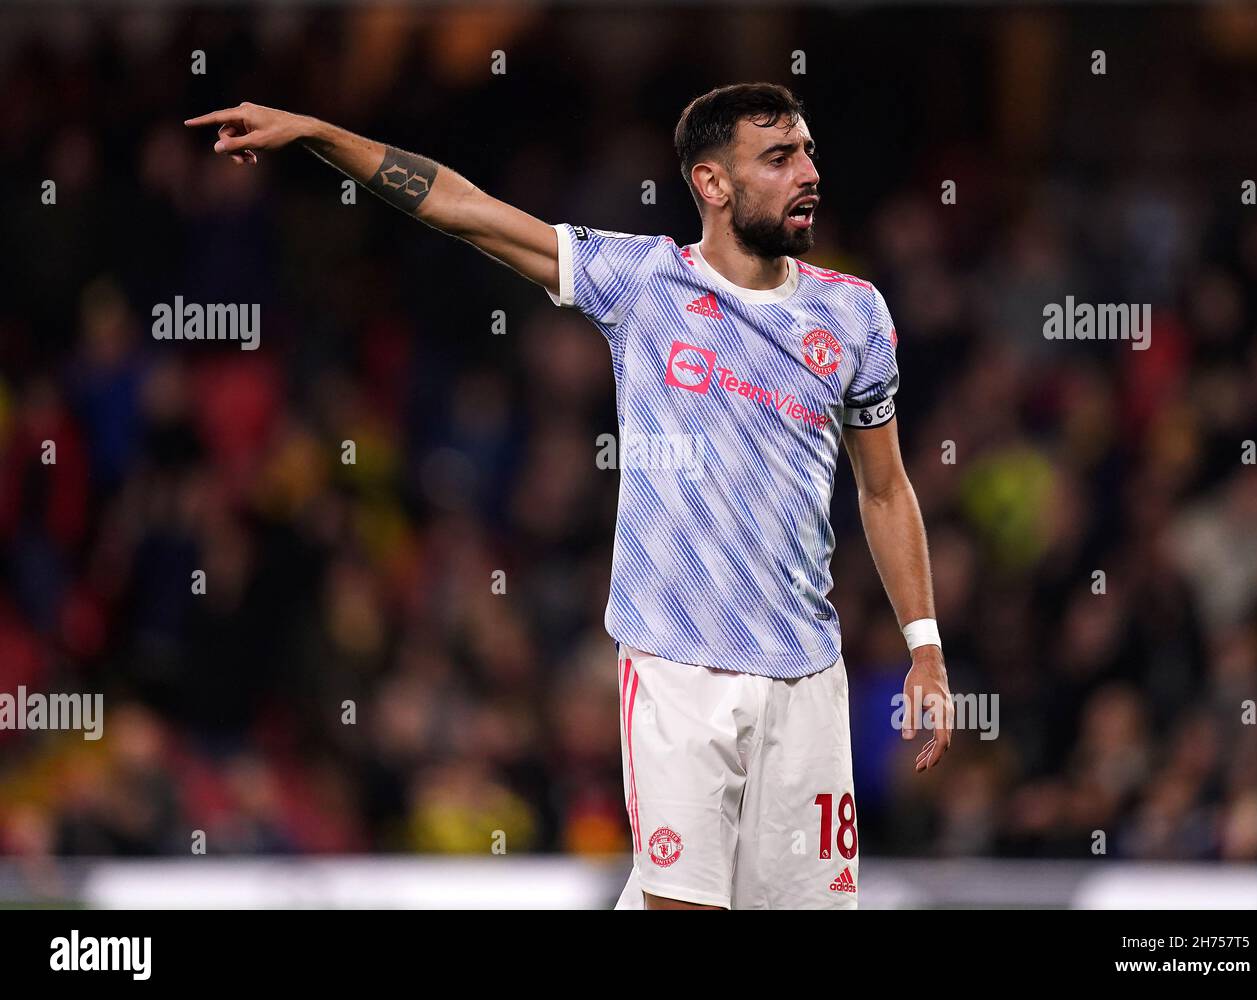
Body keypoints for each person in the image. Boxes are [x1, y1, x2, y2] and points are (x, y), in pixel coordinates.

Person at [185, 81, 954, 910]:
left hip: (808, 675)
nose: (808, 170)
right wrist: (317, 131)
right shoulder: (644, 284)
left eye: (807, 151)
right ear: (713, 184)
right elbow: (463, 208)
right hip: (677, 665)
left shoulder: (853, 316)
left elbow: (885, 490)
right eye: (779, 157)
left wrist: (925, 646)